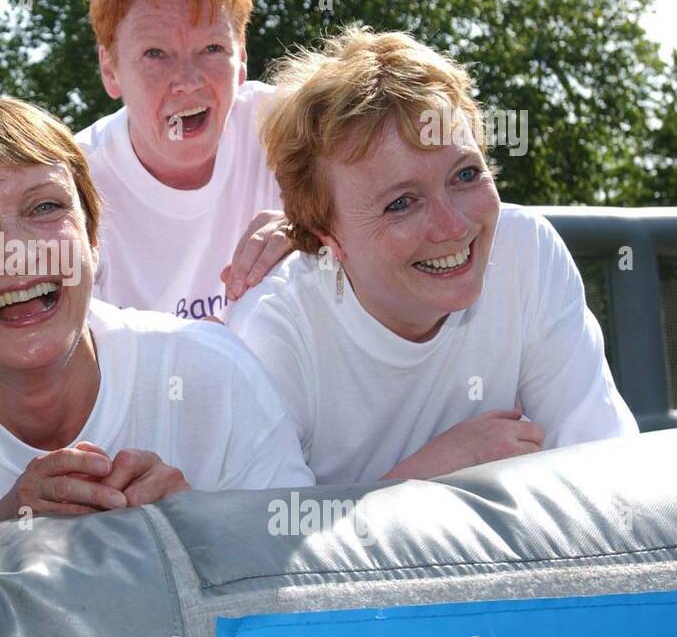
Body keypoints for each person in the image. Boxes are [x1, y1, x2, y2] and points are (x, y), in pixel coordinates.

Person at [0, 96, 314, 528]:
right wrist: (1, 538)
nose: (15, 251)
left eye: (44, 207)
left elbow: (306, 588)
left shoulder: (215, 375)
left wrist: (201, 533)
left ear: (93, 239)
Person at [225, 27, 638, 485]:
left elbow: (606, 477)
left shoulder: (525, 252)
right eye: (401, 203)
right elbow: (267, 545)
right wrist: (431, 478)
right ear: (329, 237)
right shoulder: (276, 329)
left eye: (465, 175)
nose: (455, 227)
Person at [75, 0, 294, 321]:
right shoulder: (68, 186)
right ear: (110, 69)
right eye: (155, 54)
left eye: (211, 48)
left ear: (241, 56)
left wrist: (315, 235)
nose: (187, 81)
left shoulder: (289, 132)